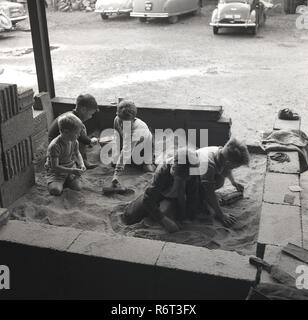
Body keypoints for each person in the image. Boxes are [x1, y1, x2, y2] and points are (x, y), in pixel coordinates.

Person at [121, 148, 200, 233]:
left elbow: (192, 197)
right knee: (129, 216)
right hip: (162, 193)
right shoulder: (163, 170)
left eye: (184, 178)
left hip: (178, 198)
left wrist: (184, 217)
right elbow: (148, 199)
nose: (180, 180)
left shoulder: (193, 172)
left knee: (189, 213)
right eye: (177, 176)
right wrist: (164, 220)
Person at [197, 138, 250, 227]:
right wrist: (221, 215)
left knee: (220, 181)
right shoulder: (208, 165)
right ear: (228, 162)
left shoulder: (222, 153)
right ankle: (201, 198)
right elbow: (210, 193)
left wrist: (233, 182)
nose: (233, 169)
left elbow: (227, 168)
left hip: (205, 172)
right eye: (234, 167)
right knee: (208, 208)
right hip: (189, 178)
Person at [48, 94, 99, 169]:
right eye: (90, 114)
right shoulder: (74, 120)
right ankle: (80, 161)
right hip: (58, 148)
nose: (90, 117)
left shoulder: (71, 115)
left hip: (60, 142)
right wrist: (90, 141)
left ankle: (82, 159)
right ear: (83, 110)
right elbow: (81, 137)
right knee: (81, 130)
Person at [112, 100, 155, 187]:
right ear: (117, 114)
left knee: (147, 169)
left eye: (126, 122)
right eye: (121, 120)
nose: (122, 125)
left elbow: (126, 151)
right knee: (115, 162)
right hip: (129, 144)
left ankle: (152, 162)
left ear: (133, 119)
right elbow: (117, 137)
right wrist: (117, 153)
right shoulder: (117, 119)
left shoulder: (138, 129)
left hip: (145, 147)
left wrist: (116, 175)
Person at [45, 113, 86, 196]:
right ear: (66, 132)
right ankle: (59, 183)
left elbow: (77, 153)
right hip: (56, 173)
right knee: (55, 191)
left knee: (78, 187)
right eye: (77, 133)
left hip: (70, 168)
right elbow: (55, 167)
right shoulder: (55, 146)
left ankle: (66, 181)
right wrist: (72, 171)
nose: (79, 135)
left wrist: (81, 164)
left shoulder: (74, 141)